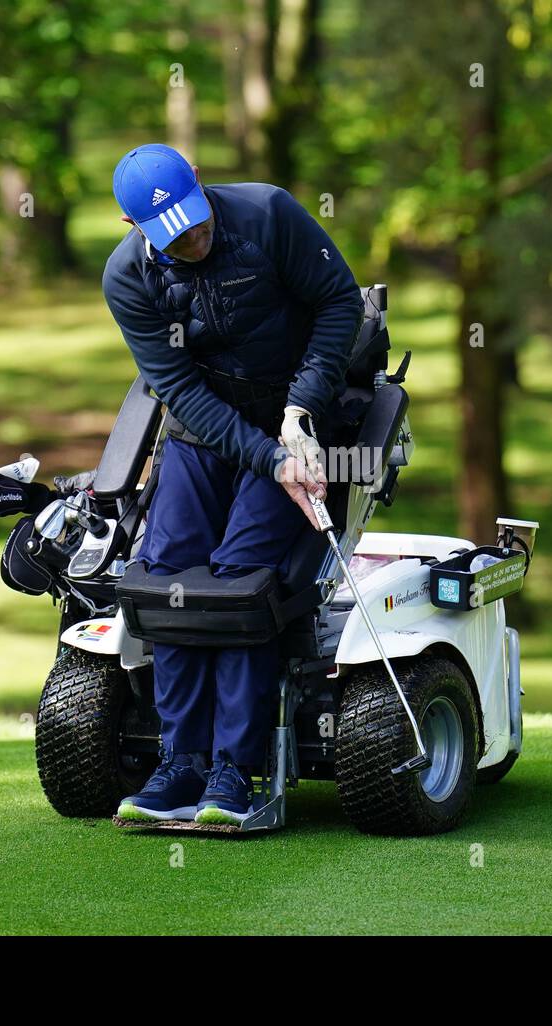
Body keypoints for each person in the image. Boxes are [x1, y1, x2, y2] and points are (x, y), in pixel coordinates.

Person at [101, 143, 363, 826]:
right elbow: (180, 391)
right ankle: (180, 761)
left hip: (296, 415)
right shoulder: (127, 278)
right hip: (206, 430)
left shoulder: (268, 213)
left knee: (242, 575)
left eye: (195, 219)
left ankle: (231, 769)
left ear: (198, 179)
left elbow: (340, 303)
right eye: (172, 235)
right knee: (168, 576)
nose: (193, 238)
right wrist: (263, 457)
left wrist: (301, 411)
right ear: (134, 230)